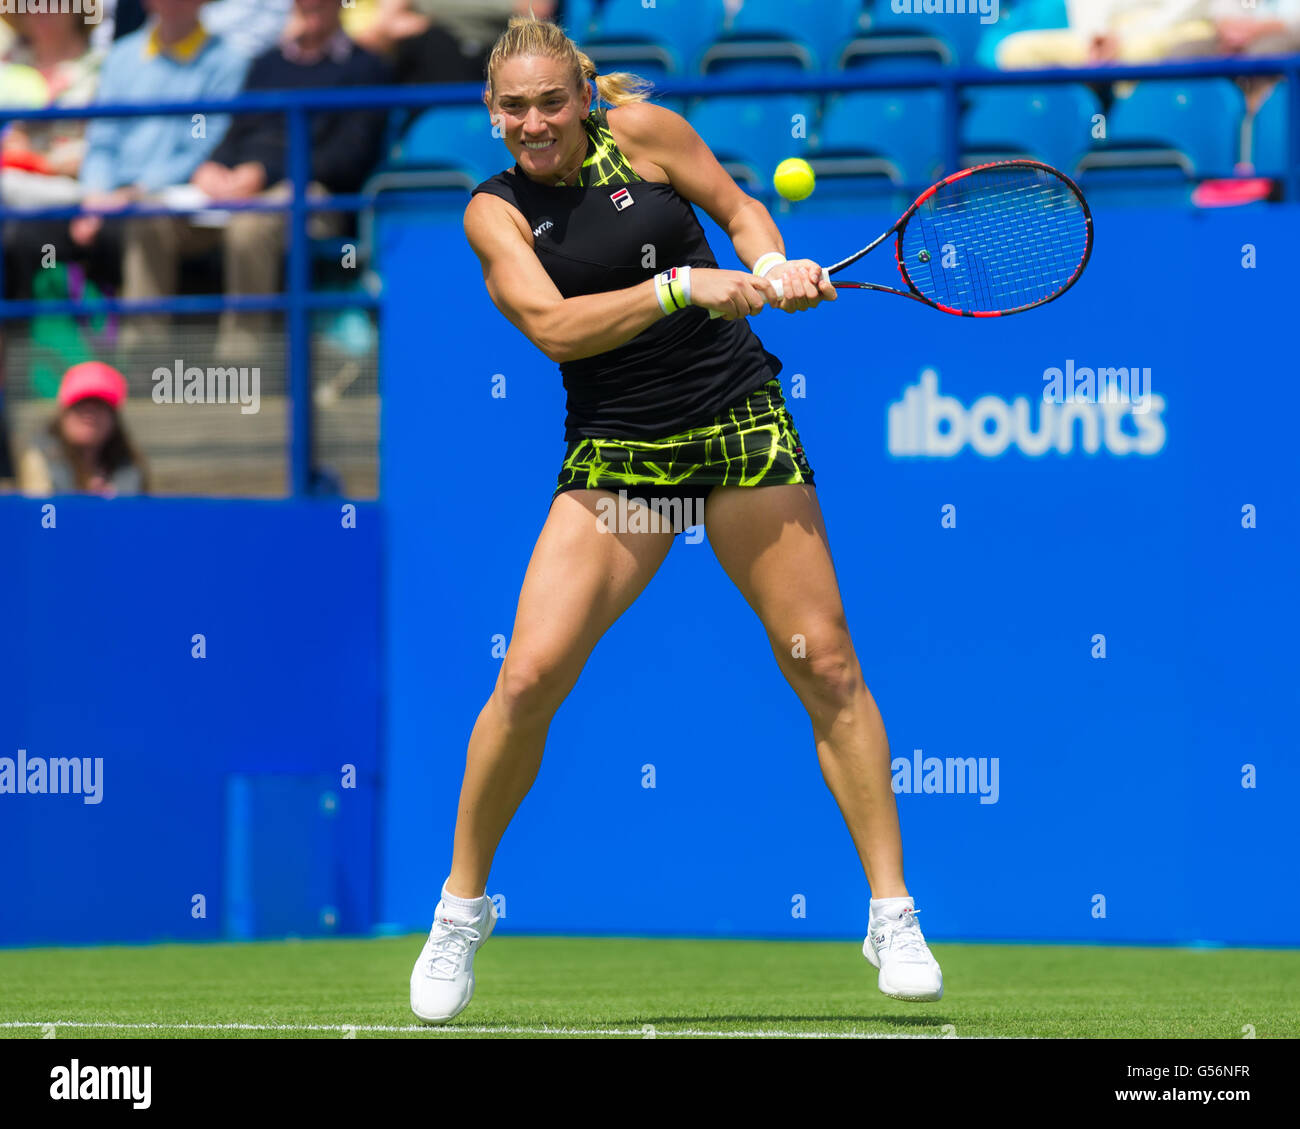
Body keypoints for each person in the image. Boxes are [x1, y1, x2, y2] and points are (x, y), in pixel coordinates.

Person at [407, 15, 944, 1026]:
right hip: (620, 453)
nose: (532, 122)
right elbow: (557, 331)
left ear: (582, 99)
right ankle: (460, 908)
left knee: (824, 662)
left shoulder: (648, 134)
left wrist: (773, 260)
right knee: (527, 677)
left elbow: (739, 208)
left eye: (548, 103)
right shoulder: (494, 213)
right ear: (493, 115)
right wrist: (679, 285)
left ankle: (892, 912)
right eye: (513, 108)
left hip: (737, 420)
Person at [183, 0, 391, 355]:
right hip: (242, 187)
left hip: (315, 195)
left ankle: (239, 362)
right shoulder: (267, 64)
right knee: (148, 222)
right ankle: (143, 358)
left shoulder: (366, 67)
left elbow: (350, 157)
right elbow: (237, 131)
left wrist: (266, 174)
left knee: (251, 227)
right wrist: (211, 168)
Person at [71, 0, 249, 353]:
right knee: (31, 235)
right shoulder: (121, 56)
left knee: (145, 218)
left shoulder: (228, 60)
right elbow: (102, 142)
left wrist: (135, 192)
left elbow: (201, 144)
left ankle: (141, 358)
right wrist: (94, 196)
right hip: (115, 200)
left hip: (171, 205)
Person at [18, 361, 148, 496]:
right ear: (64, 413)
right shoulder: (39, 459)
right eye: (81, 403)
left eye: (99, 404)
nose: (89, 414)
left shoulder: (130, 467)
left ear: (113, 417)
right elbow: (38, 513)